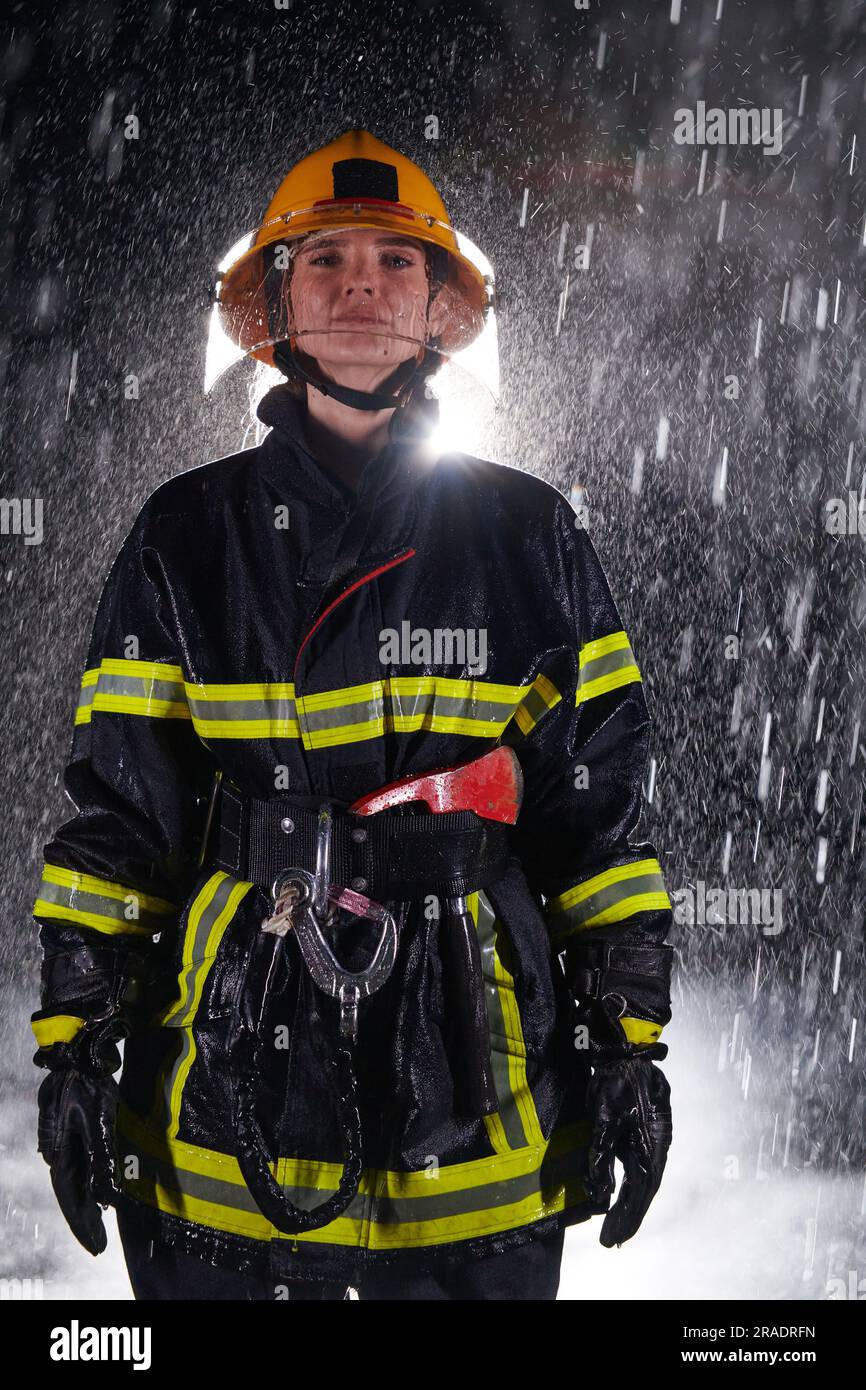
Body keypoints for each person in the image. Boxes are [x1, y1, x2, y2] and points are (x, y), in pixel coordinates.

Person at [31, 129, 674, 1302]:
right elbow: (122, 816)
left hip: (478, 1078)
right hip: (234, 1076)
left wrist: (627, 1041)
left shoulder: (529, 538)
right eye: (324, 260)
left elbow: (598, 820)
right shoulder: (185, 536)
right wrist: (76, 1042)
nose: (361, 287)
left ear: (439, 310)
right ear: (276, 305)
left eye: (394, 261)